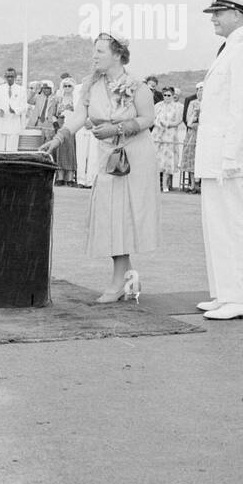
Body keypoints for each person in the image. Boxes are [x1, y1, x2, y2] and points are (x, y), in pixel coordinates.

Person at [42, 33, 159, 303]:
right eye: (94, 51)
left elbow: (148, 118)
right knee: (110, 214)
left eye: (100, 52)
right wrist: (59, 138)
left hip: (135, 157)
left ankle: (119, 282)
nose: (94, 56)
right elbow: (80, 116)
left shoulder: (137, 86)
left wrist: (117, 128)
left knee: (124, 215)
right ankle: (129, 278)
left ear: (117, 55)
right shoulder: (90, 85)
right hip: (108, 157)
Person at [194, 0, 243, 320]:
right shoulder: (228, 49)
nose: (213, 19)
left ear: (236, 13)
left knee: (232, 224)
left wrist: (231, 157)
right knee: (215, 226)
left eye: (218, 13)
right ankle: (224, 293)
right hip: (214, 156)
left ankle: (240, 298)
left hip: (227, 158)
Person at [154, 85, 185, 191]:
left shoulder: (178, 106)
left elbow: (179, 120)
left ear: (172, 95)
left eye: (169, 95)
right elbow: (153, 118)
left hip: (170, 136)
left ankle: (165, 185)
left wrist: (167, 124)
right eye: (165, 95)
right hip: (158, 135)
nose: (166, 97)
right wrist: (159, 123)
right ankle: (156, 185)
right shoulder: (158, 105)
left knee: (168, 161)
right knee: (157, 159)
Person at [0, 66, 27, 150]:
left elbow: (24, 106)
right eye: (8, 76)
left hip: (14, 123)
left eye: (12, 76)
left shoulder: (21, 90)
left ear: (15, 77)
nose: (10, 78)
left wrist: (15, 110)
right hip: (1, 122)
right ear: (5, 77)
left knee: (11, 150)